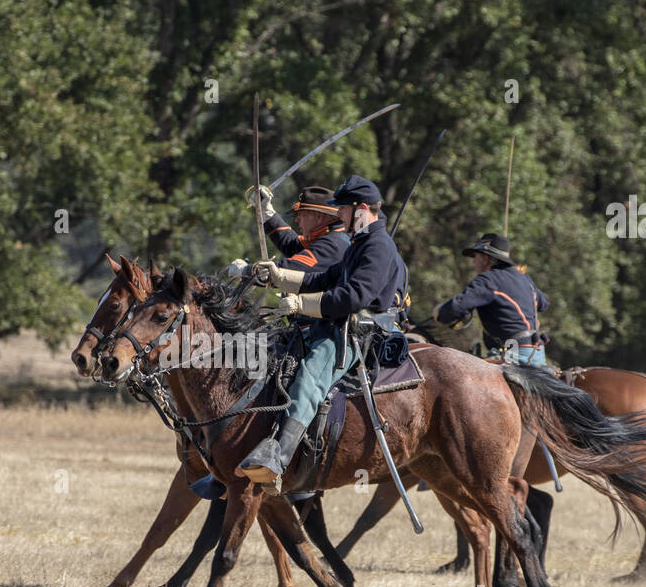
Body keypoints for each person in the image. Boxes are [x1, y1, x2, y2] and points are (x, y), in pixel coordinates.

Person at [236, 174, 407, 485]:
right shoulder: (361, 242)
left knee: (310, 376)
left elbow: (353, 298)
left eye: (342, 209)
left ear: (362, 209)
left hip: (357, 333)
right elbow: (323, 279)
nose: (338, 216)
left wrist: (302, 306)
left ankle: (279, 456)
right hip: (337, 324)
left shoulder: (378, 246)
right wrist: (277, 276)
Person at [432, 233, 551, 366]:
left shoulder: (488, 280)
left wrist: (439, 312)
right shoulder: (525, 279)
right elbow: (544, 303)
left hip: (514, 356)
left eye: (476, 256)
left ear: (486, 259)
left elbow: (455, 309)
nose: (473, 261)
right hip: (537, 356)